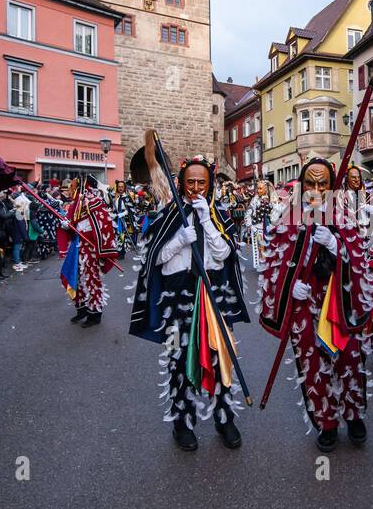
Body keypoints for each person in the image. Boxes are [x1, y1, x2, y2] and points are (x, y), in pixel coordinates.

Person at [129, 155, 249, 451]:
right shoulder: (168, 213)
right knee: (179, 362)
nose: (195, 188)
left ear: (210, 185)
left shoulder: (217, 213)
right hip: (178, 298)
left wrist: (207, 222)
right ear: (181, 182)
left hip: (212, 296)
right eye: (190, 182)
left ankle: (225, 419)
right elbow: (154, 258)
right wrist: (179, 241)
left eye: (202, 183)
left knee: (220, 358)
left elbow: (224, 254)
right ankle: (182, 422)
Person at [257, 158, 373, 452]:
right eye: (310, 183)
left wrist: (338, 248)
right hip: (305, 303)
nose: (317, 189)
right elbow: (275, 263)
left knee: (348, 359)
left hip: (337, 301)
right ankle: (327, 422)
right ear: (301, 185)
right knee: (314, 365)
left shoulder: (344, 214)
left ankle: (354, 415)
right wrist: (288, 286)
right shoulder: (289, 216)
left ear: (333, 186)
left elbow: (360, 260)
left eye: (324, 184)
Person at [63, 177, 117, 328]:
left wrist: (95, 243)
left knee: (92, 281)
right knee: (75, 278)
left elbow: (103, 225)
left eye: (73, 186)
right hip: (76, 247)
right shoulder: (76, 204)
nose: (71, 188)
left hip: (90, 248)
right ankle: (82, 309)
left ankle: (95, 314)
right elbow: (74, 222)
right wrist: (67, 225)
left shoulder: (94, 202)